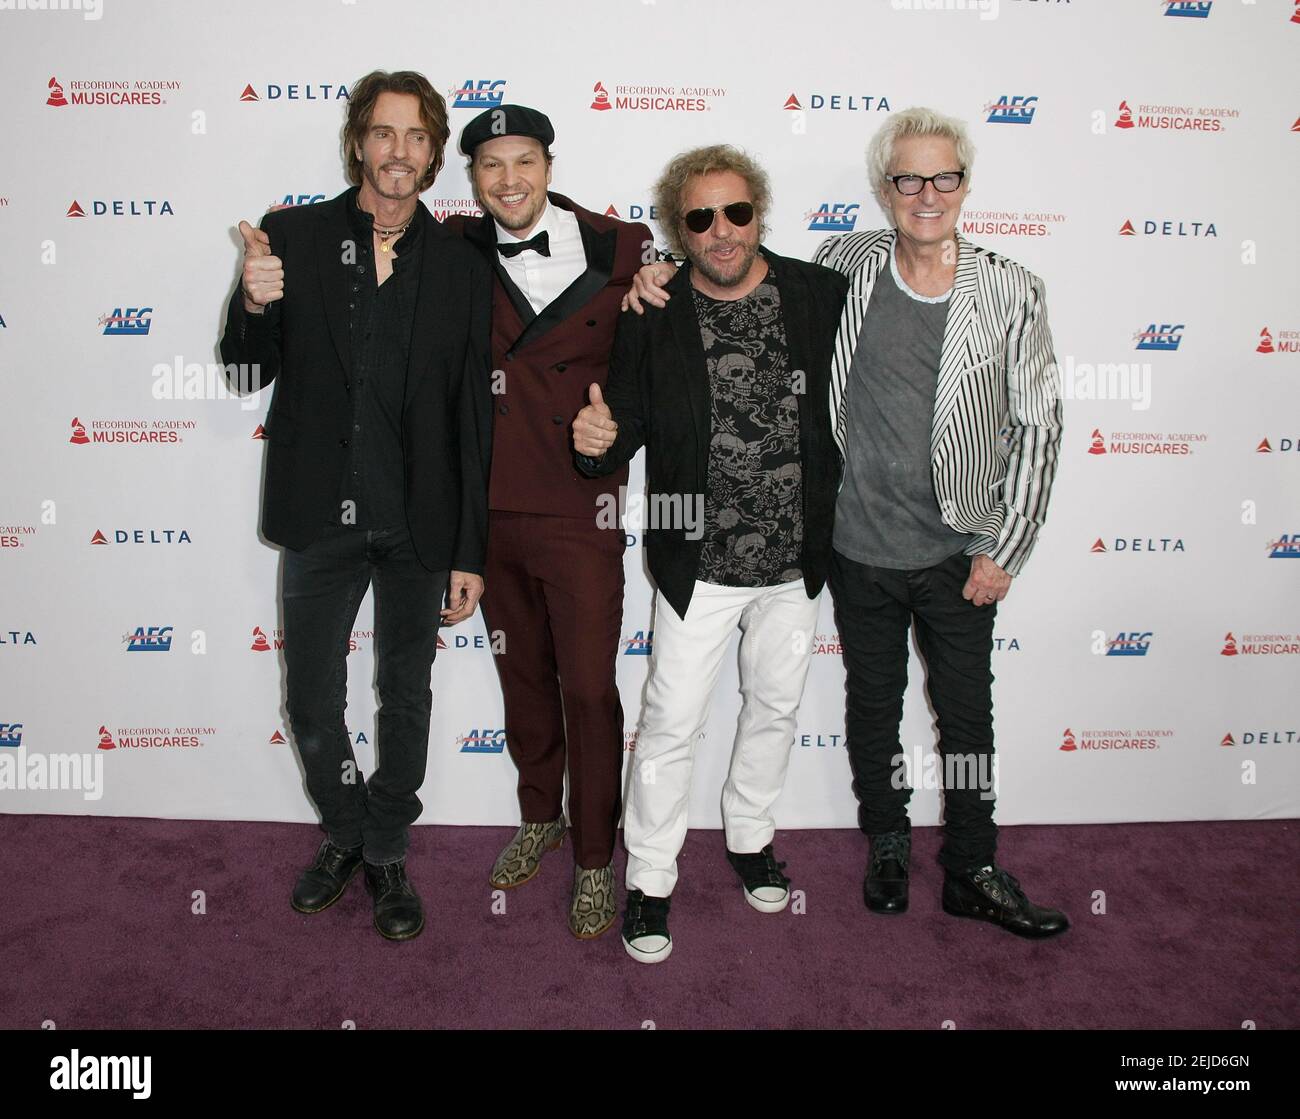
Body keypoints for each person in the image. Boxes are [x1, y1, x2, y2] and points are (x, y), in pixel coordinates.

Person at [625, 108, 1068, 939]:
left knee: (965, 722)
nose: (925, 193)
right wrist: (654, 272)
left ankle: (972, 864)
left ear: (964, 185)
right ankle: (884, 846)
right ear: (884, 189)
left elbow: (1040, 426)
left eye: (942, 177)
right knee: (869, 710)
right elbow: (702, 278)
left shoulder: (1008, 289)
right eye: (908, 178)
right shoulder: (849, 267)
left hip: (953, 554)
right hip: (851, 551)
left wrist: (1004, 548)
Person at [219, 70, 493, 941]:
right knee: (312, 698)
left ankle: (384, 848)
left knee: (404, 696)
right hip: (318, 516)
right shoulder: (296, 235)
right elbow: (242, 367)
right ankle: (343, 830)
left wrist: (469, 549)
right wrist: (252, 299)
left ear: (435, 153)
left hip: (417, 522)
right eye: (383, 133)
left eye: (417, 136)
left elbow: (471, 414)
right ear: (357, 143)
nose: (399, 152)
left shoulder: (460, 258)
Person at [573, 145, 849, 963]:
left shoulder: (819, 294)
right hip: (697, 562)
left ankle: (750, 835)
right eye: (700, 218)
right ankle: (651, 880)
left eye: (737, 212)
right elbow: (622, 417)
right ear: (678, 229)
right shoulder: (651, 310)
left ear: (760, 211)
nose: (722, 232)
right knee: (668, 727)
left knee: (774, 709)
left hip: (798, 561)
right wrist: (597, 443)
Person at [442, 105, 653, 939]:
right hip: (490, 507)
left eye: (522, 160)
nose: (508, 180)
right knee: (522, 678)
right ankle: (541, 817)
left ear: (549, 163)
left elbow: (644, 380)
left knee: (591, 688)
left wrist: (618, 432)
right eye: (490, 165)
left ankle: (598, 858)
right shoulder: (453, 247)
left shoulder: (623, 248)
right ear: (473, 178)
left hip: (581, 505)